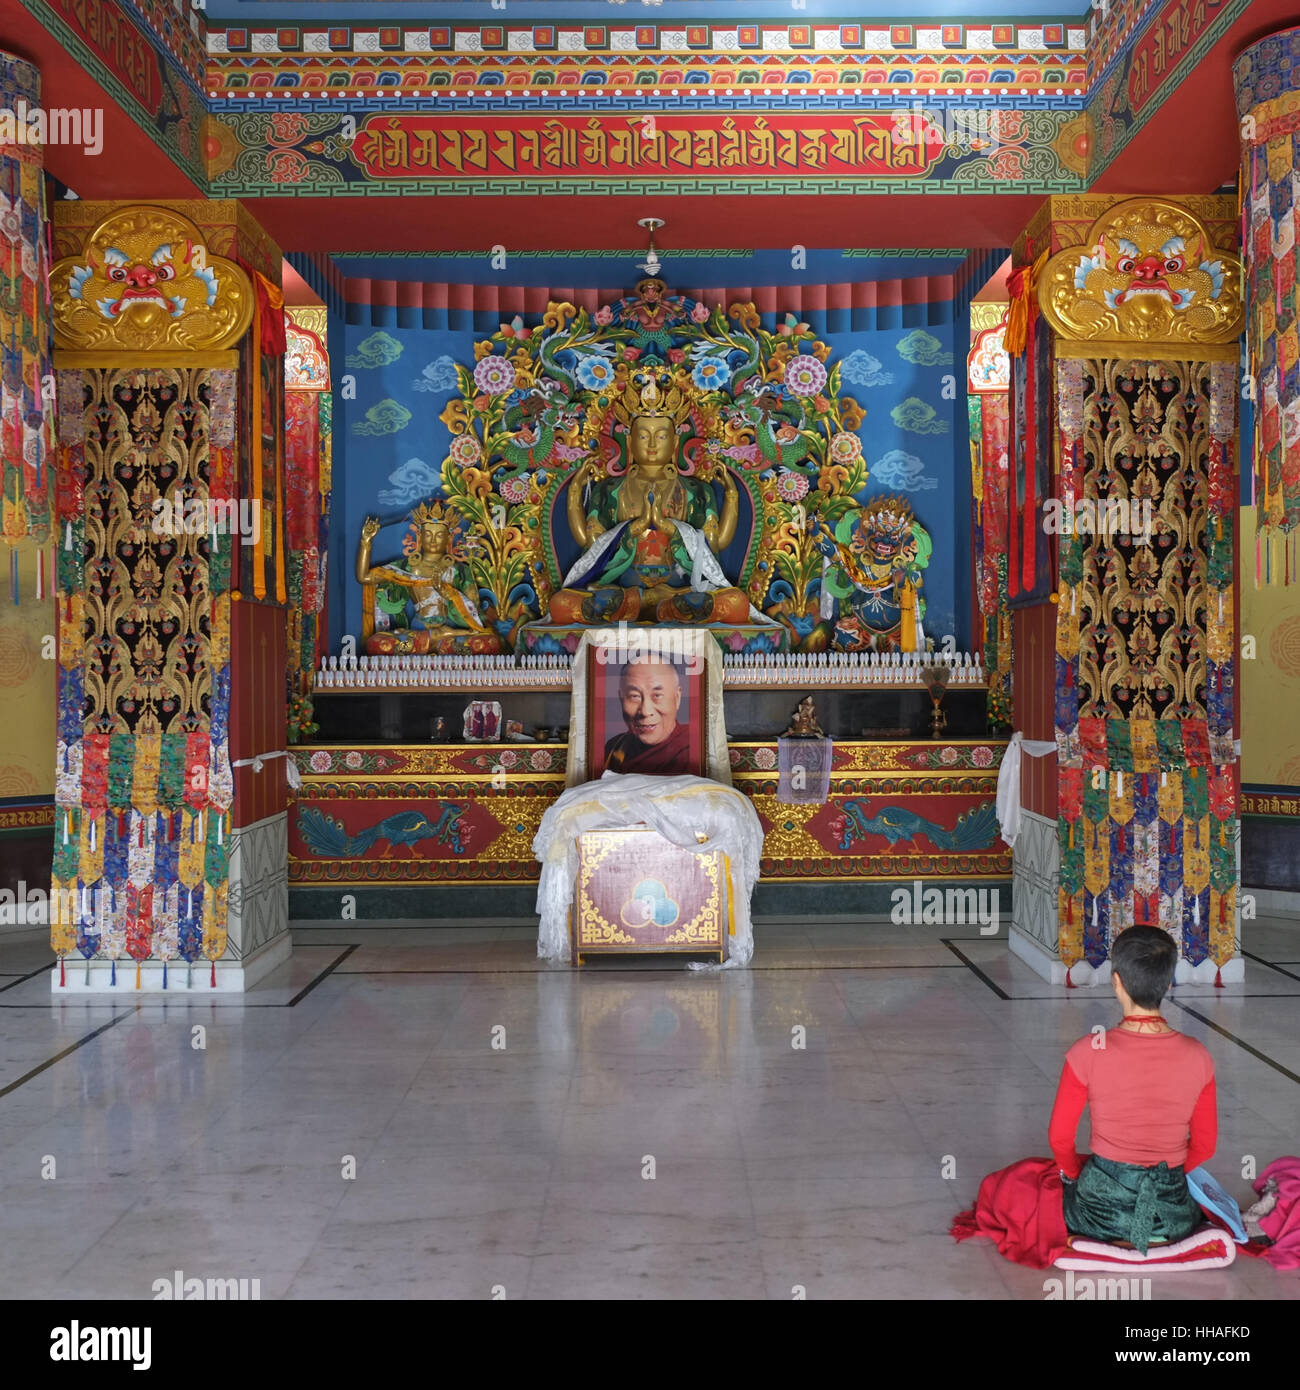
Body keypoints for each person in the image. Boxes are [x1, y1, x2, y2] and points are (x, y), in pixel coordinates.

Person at [1048, 925, 1217, 1254]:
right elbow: (1205, 1146)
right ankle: (1159, 1239)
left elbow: (1059, 1139)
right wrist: (1165, 1174)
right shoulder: (1198, 1054)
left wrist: (1074, 1174)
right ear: (1168, 983)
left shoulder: (1089, 1049)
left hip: (1099, 1213)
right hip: (1172, 1215)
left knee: (1028, 1188)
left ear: (1116, 982)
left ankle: (1110, 1237)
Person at [603, 660, 692, 774]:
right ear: (621, 699)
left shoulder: (691, 749)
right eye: (634, 696)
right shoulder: (615, 747)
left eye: (657, 695)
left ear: (677, 697)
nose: (645, 711)